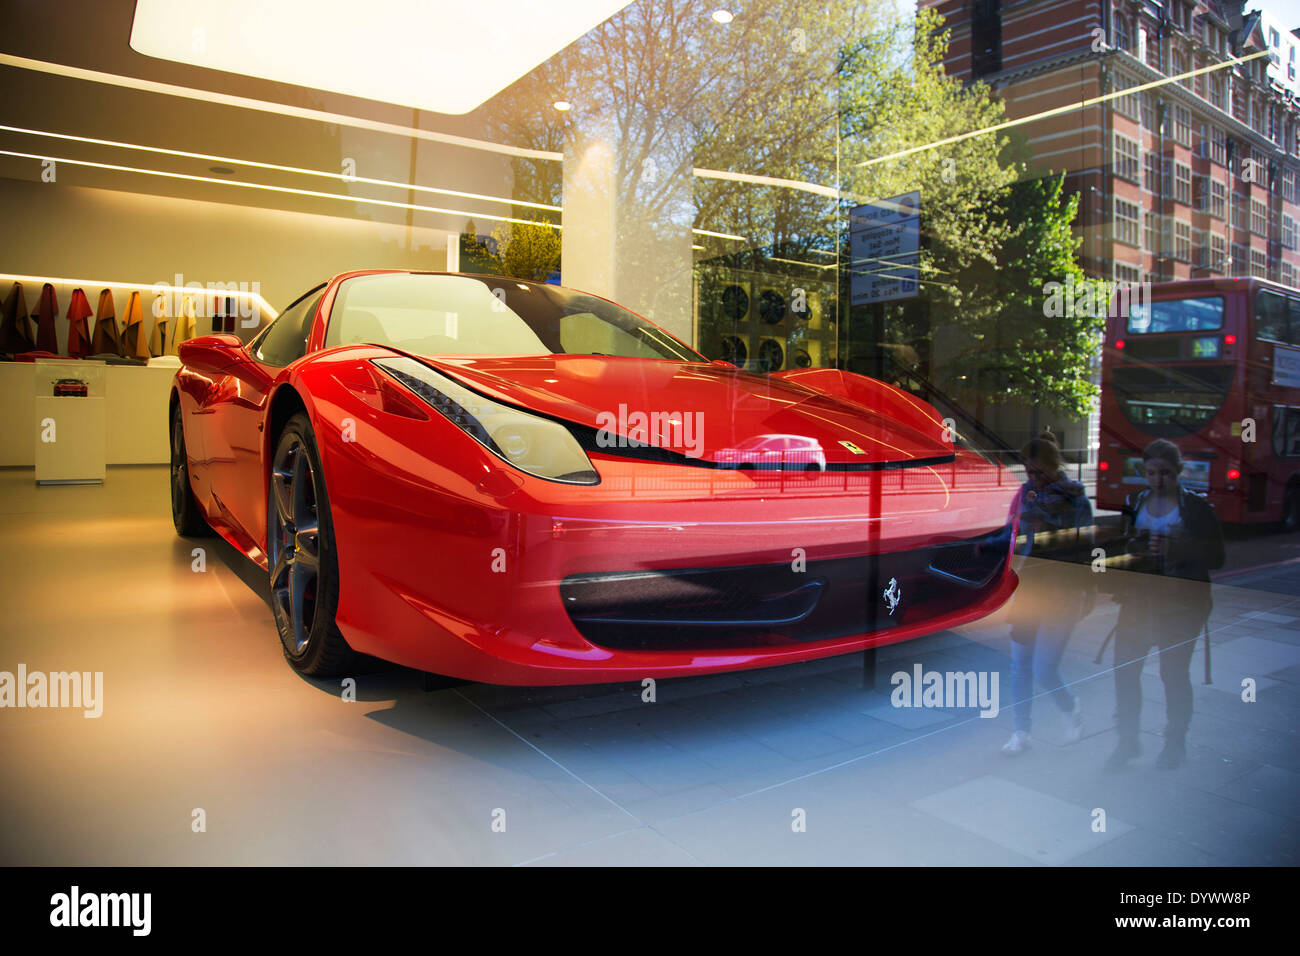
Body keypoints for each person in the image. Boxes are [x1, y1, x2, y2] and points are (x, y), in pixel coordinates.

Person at [1107, 439, 1224, 770]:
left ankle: (1175, 744)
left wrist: (1178, 549)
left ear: (1179, 472)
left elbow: (1217, 557)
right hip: (1138, 602)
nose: (1158, 481)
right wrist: (1132, 548)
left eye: (1166, 474)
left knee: (1173, 675)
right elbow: (1118, 544)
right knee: (1125, 672)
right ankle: (1127, 742)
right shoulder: (1134, 501)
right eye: (1151, 473)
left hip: (1181, 607)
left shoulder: (1197, 508)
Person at [1001, 431, 1094, 755]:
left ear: (1056, 468)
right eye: (1028, 472)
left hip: (1062, 593)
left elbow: (1086, 549)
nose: (1034, 480)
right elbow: (1009, 532)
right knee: (1019, 664)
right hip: (1031, 589)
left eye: (1040, 473)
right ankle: (1021, 731)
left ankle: (1071, 710)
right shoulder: (1025, 495)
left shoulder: (1077, 500)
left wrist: (1051, 530)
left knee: (1044, 669)